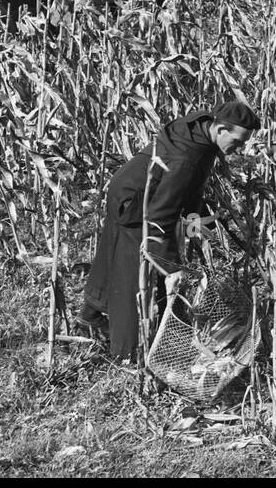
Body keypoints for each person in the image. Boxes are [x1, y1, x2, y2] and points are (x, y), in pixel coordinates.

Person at [78, 100, 260, 361]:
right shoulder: (185, 159)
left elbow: (194, 184)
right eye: (238, 141)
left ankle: (91, 314)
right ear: (220, 129)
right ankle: (127, 354)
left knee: (113, 253)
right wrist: (170, 267)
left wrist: (197, 223)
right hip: (136, 204)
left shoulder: (200, 126)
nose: (240, 149)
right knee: (132, 274)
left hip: (127, 186)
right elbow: (160, 216)